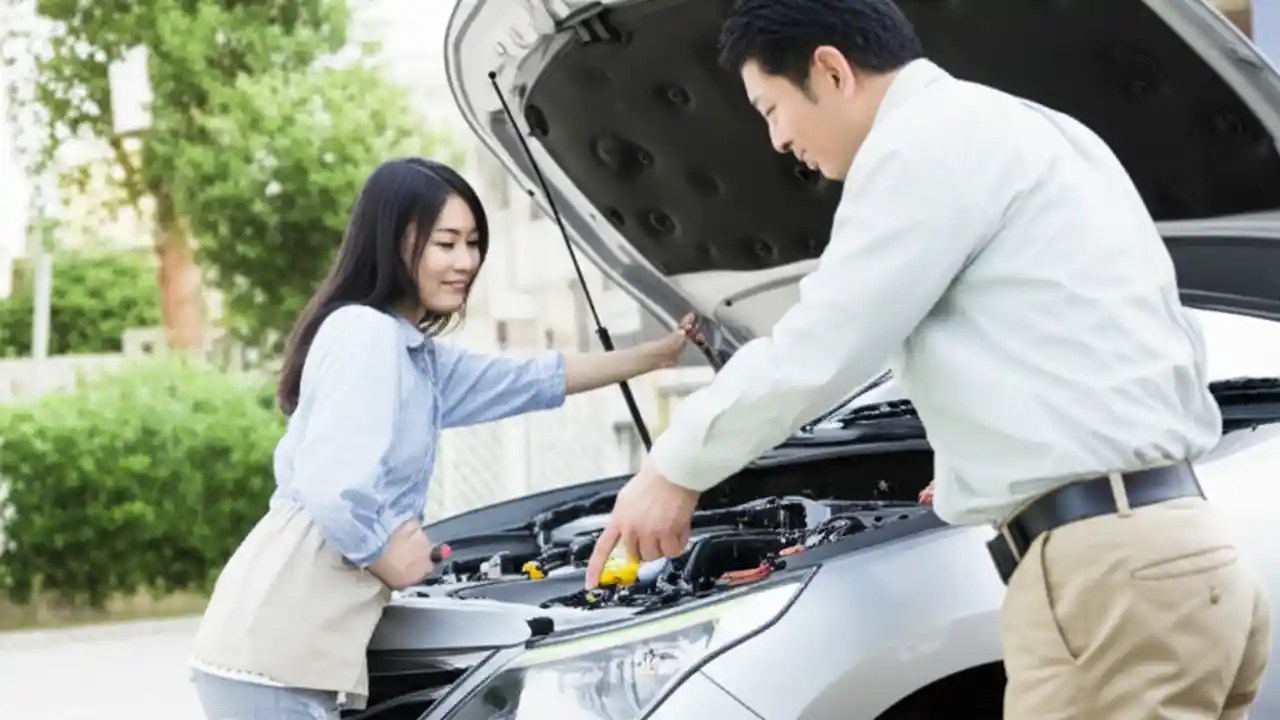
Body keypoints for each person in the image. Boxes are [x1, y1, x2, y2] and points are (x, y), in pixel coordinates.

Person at [584, 1, 1272, 717]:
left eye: (770, 108)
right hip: (1193, 566)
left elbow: (825, 341)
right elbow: (1117, 333)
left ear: (830, 69)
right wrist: (979, 468)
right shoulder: (1039, 131)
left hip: (1109, 585)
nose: (777, 139)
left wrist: (674, 467)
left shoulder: (920, 145)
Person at [187, 156, 698, 718]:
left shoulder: (416, 359)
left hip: (282, 644)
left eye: (473, 242)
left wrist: (655, 355)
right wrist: (386, 555)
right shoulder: (366, 335)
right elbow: (329, 485)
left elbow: (531, 380)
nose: (466, 262)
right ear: (394, 242)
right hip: (276, 648)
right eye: (446, 243)